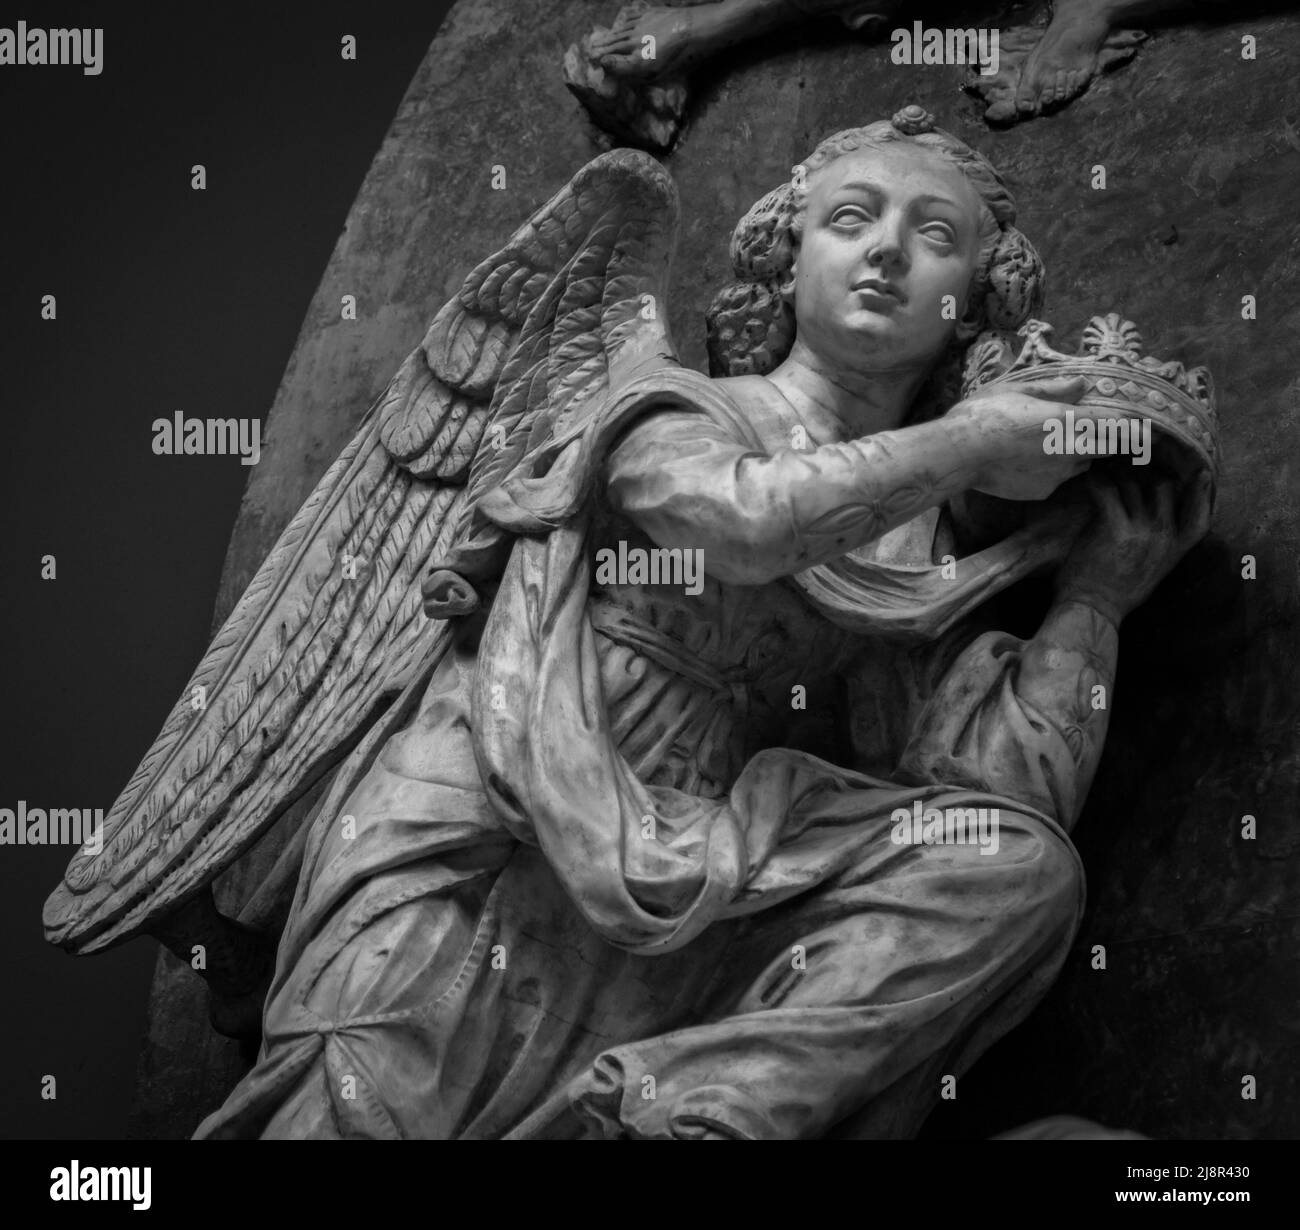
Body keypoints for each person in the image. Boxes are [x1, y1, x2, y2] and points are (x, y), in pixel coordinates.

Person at [192, 112, 1209, 1140]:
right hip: (495, 817)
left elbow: (998, 799)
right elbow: (748, 524)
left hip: (700, 869)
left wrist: (1092, 600)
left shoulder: (926, 550)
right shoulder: (673, 409)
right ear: (785, 260)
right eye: (850, 219)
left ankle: (674, 1118)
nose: (887, 250)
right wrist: (973, 440)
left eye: (934, 237)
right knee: (354, 1115)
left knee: (1013, 870)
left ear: (967, 308)